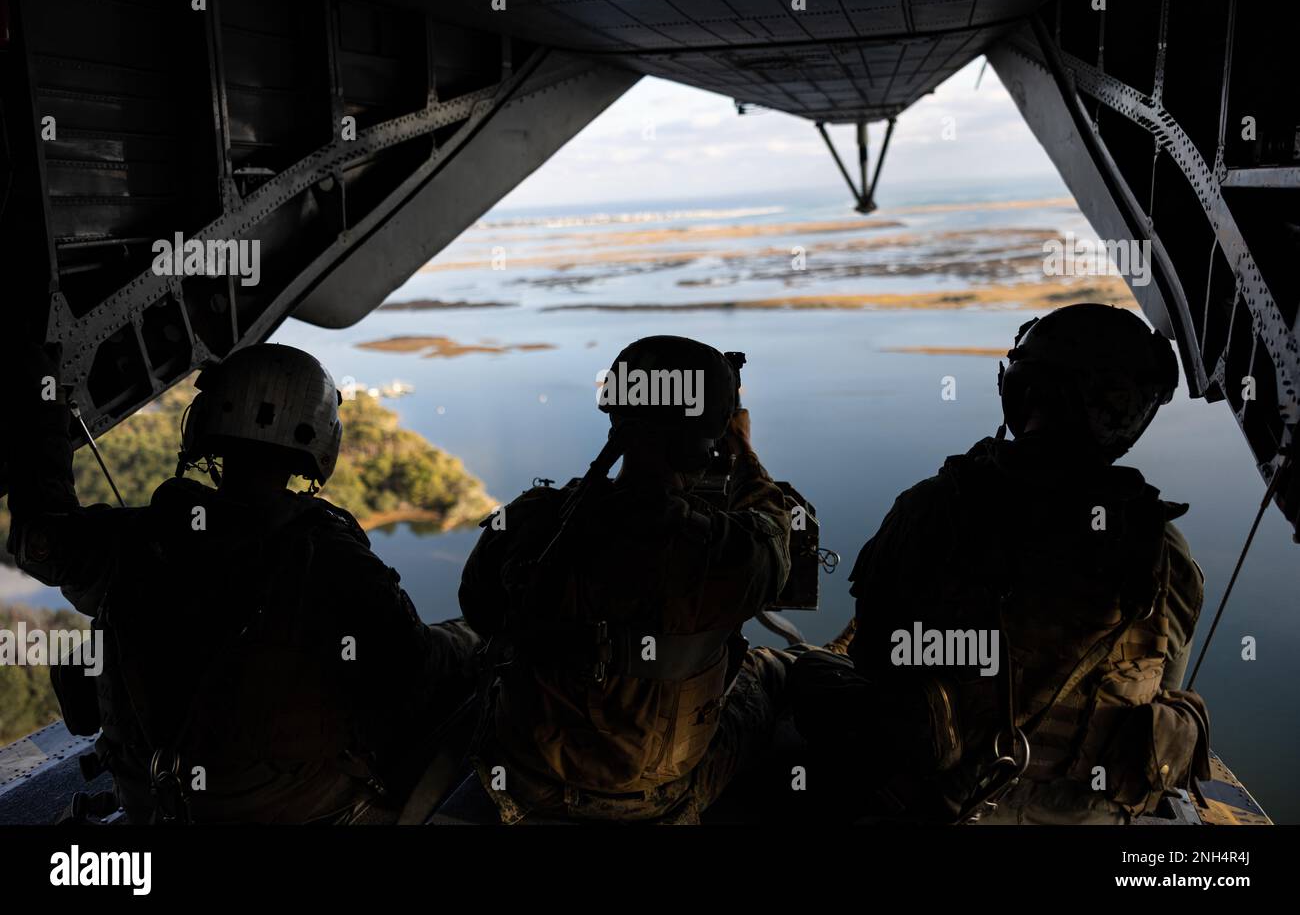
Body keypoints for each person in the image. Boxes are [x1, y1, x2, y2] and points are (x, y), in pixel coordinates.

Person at [6, 343, 479, 824]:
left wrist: (42, 402)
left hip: (150, 803)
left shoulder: (141, 540)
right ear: (320, 443)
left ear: (203, 422)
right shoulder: (334, 561)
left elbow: (42, 540)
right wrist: (467, 637)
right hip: (286, 810)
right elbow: (416, 673)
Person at [790, 304, 1210, 824]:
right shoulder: (1164, 548)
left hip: (936, 806)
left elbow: (875, 658)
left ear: (1023, 391)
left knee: (803, 673)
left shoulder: (931, 509)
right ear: (1130, 416)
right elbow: (1165, 683)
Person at [457, 335, 794, 823]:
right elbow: (774, 542)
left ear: (617, 412)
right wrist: (743, 451)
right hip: (649, 794)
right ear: (710, 429)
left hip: (523, 775)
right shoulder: (718, 552)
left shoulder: (534, 519)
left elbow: (479, 610)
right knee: (771, 670)